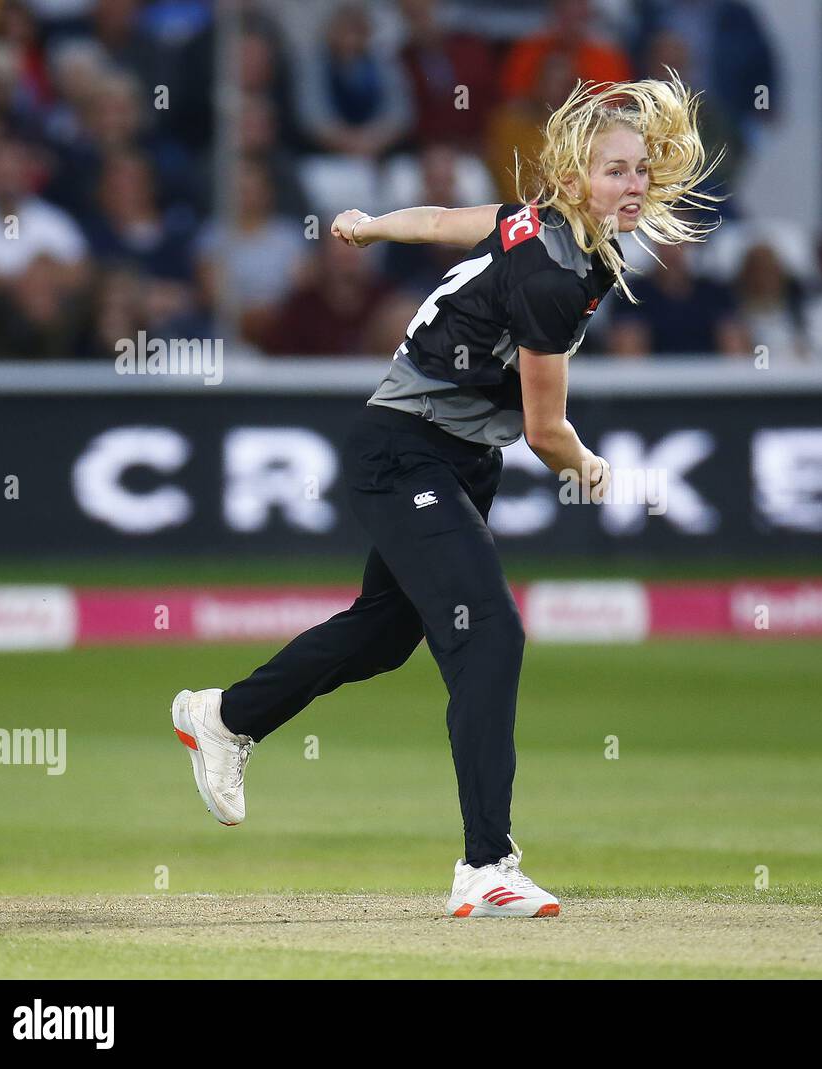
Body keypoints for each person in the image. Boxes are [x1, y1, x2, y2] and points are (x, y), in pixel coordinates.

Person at [170, 70, 722, 918]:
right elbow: (546, 432)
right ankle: (487, 863)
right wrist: (593, 469)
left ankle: (225, 716)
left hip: (456, 458)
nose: (634, 183)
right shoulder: (551, 273)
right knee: (490, 630)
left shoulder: (543, 226)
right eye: (615, 169)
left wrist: (371, 226)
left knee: (387, 634)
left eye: (641, 168)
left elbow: (442, 223)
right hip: (406, 452)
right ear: (575, 178)